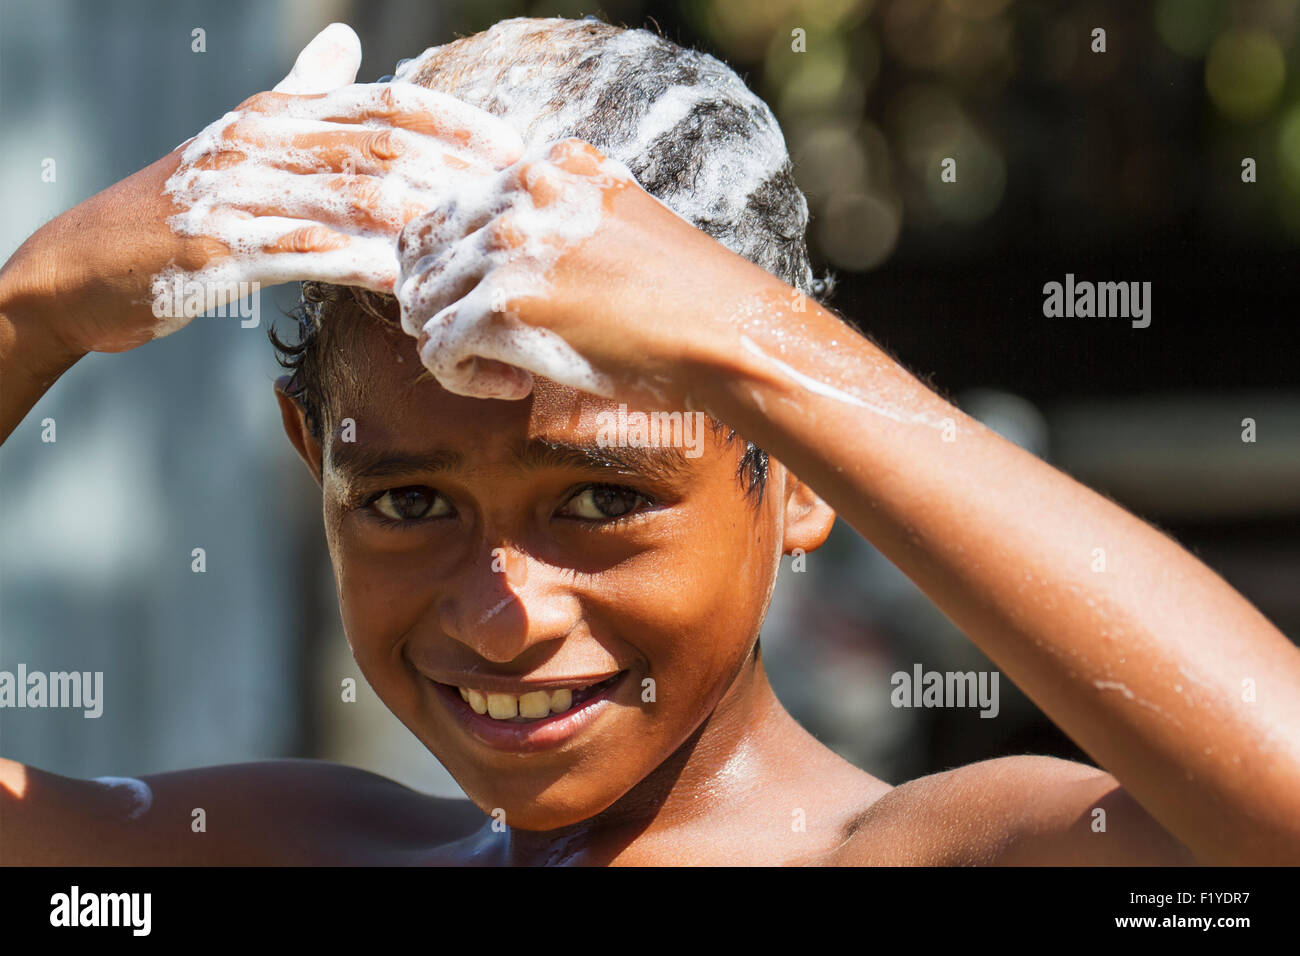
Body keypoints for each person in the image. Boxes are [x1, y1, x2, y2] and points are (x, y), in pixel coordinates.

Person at [1, 18, 1297, 866]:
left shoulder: (948, 854)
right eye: (407, 503)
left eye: (603, 498)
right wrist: (36, 303)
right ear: (313, 461)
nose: (503, 618)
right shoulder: (301, 853)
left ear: (793, 480)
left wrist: (750, 346)